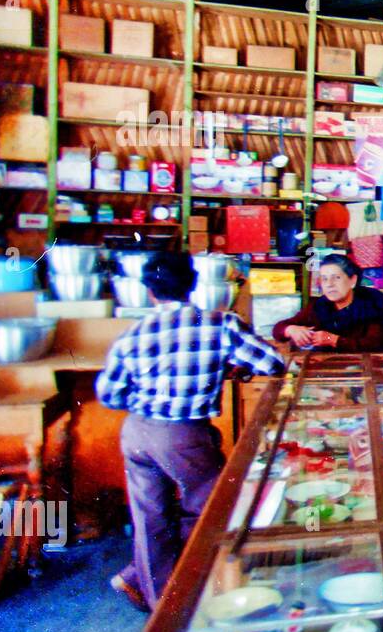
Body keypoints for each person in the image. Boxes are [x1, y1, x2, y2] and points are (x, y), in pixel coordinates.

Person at [96, 252, 287, 611]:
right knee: (215, 509)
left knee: (150, 517)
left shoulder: (132, 333)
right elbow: (272, 362)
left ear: (150, 292)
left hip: (136, 432)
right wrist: (228, 368)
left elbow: (109, 394)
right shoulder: (218, 324)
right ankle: (201, 598)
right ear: (195, 285)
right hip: (183, 434)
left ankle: (159, 600)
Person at [273, 254, 383, 351]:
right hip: (330, 370)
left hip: (368, 370)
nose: (329, 284)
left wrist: (333, 339)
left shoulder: (373, 303)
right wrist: (291, 329)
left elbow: (375, 344)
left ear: (352, 280)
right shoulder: (320, 305)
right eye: (324, 279)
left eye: (336, 278)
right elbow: (278, 330)